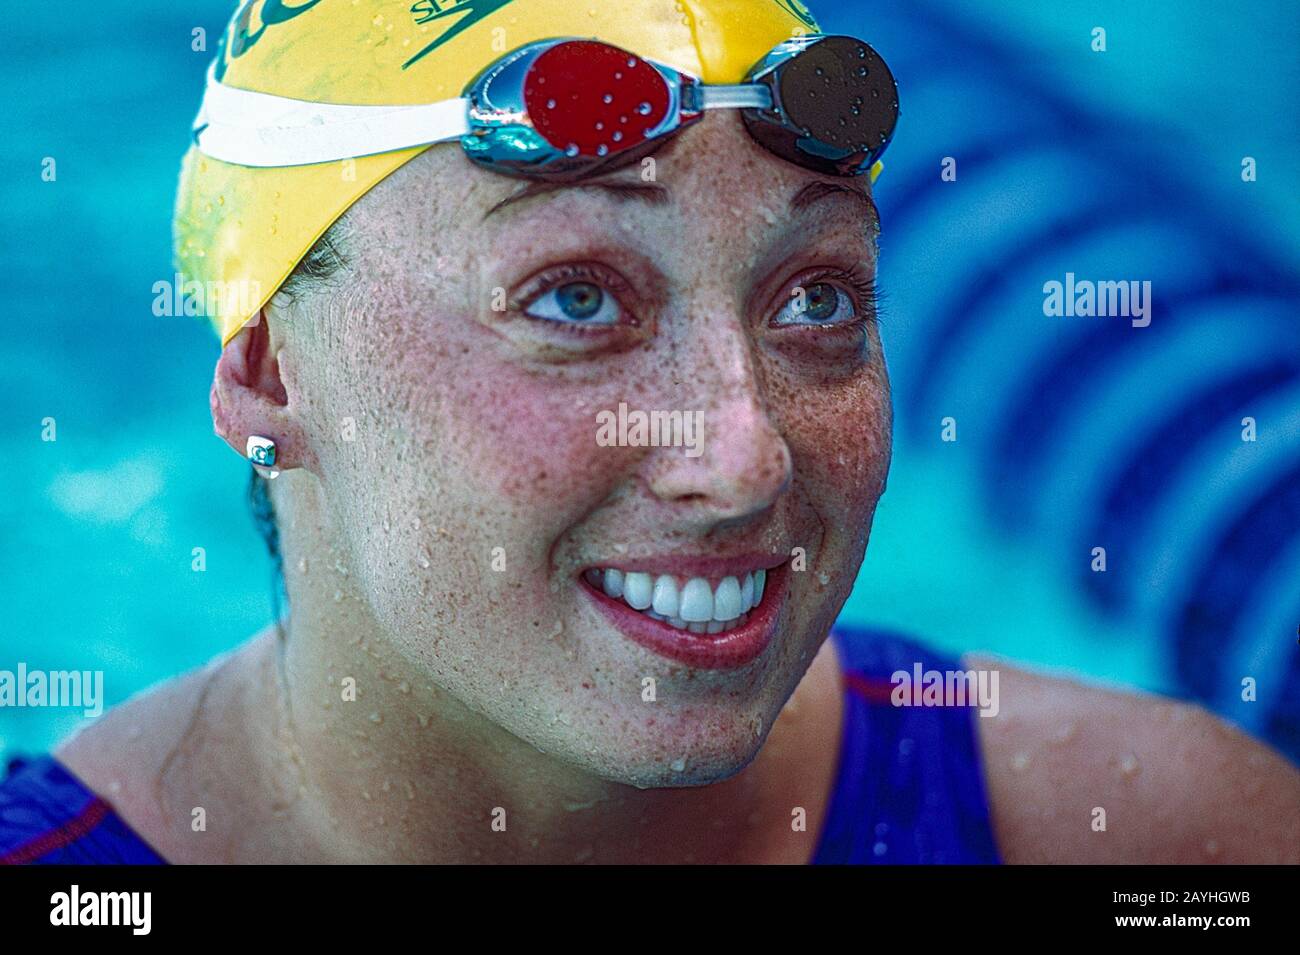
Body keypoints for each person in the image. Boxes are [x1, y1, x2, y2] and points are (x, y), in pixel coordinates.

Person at [2, 0, 1297, 865]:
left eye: (816, 298)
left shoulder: (1148, 832)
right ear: (273, 379)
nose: (745, 460)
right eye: (575, 299)